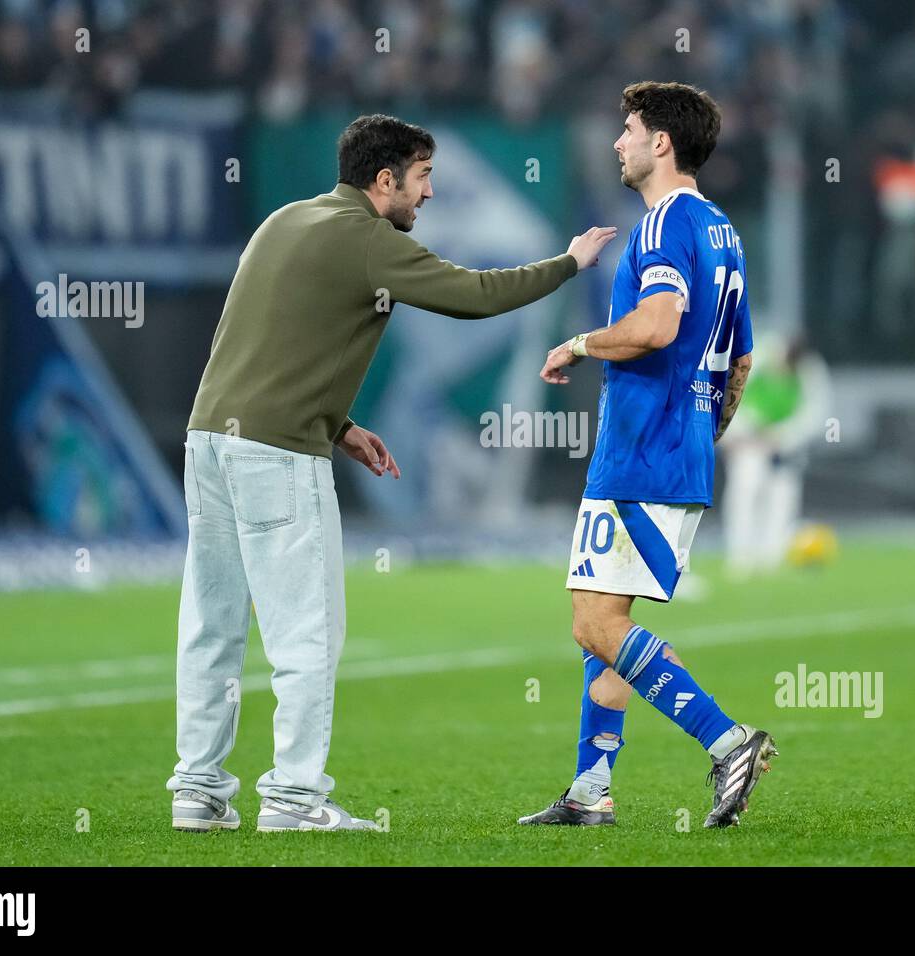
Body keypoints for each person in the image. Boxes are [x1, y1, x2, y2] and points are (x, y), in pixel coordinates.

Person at [168, 113, 617, 832]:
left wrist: (339, 425)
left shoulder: (284, 221)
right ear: (385, 180)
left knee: (211, 627)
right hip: (278, 453)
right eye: (423, 177)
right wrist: (567, 263)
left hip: (210, 442)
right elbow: (475, 295)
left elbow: (254, 338)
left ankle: (197, 791)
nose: (430, 193)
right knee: (307, 634)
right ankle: (293, 800)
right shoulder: (368, 240)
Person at [520, 82, 776, 830]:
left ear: (662, 141)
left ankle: (727, 741)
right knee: (609, 625)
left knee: (593, 624)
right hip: (681, 451)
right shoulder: (721, 228)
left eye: (628, 129)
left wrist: (576, 344)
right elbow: (744, 361)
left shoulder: (663, 224)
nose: (617, 142)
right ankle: (590, 789)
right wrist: (703, 435)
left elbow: (657, 326)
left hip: (639, 452)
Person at [721, 332, 832, 575]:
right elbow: (732, 393)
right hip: (748, 443)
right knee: (746, 489)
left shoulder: (811, 371)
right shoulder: (758, 357)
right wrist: (738, 431)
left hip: (785, 448)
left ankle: (771, 556)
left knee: (783, 497)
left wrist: (782, 437)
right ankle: (740, 556)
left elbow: (814, 414)